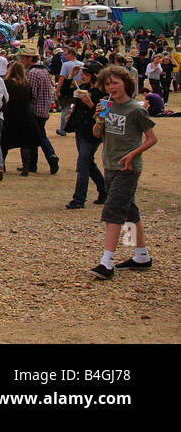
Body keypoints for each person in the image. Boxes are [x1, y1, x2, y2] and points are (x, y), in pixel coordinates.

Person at [89, 65, 157, 279]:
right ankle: (141, 256)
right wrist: (100, 119)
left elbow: (152, 138)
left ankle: (106, 262)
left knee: (113, 210)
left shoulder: (136, 110)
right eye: (108, 84)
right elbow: (97, 133)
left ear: (125, 83)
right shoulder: (107, 105)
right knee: (128, 211)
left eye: (115, 83)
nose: (111, 87)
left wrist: (133, 154)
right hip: (110, 164)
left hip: (128, 168)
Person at [66, 62, 108, 209]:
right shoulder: (83, 87)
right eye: (82, 73)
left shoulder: (102, 93)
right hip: (80, 129)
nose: (82, 76)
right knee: (88, 163)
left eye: (86, 73)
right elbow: (65, 95)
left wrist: (90, 103)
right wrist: (70, 77)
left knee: (82, 163)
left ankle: (79, 199)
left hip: (93, 132)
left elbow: (103, 115)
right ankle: (104, 191)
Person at [20, 47, 59, 174]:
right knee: (36, 136)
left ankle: (51, 156)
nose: (22, 61)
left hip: (35, 109)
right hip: (44, 109)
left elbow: (31, 94)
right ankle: (33, 164)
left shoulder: (33, 73)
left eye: (23, 58)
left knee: (39, 136)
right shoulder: (44, 71)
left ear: (30, 59)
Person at [1, 61, 41, 176]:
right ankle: (26, 168)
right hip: (25, 114)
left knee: (4, 141)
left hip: (10, 113)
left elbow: (3, 98)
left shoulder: (7, 83)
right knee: (25, 143)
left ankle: (1, 165)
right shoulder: (26, 84)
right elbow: (31, 97)